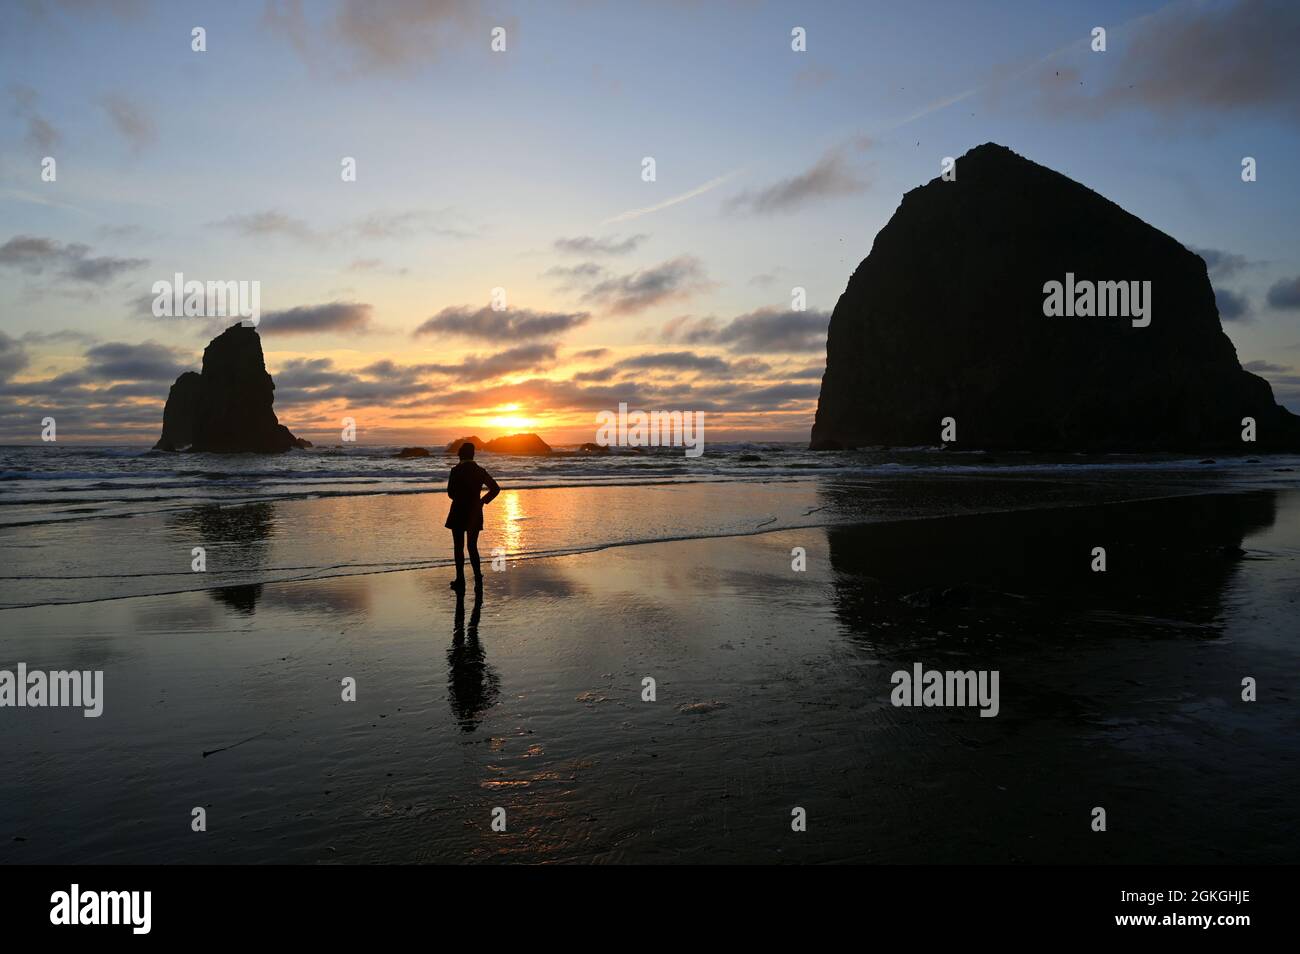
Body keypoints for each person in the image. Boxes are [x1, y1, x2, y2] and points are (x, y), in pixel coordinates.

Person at [444, 442, 500, 590]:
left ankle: (460, 580)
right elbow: (495, 488)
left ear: (460, 455)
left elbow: (450, 493)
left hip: (458, 510)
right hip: (475, 511)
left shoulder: (456, 470)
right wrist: (482, 501)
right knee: (472, 546)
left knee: (458, 547)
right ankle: (477, 577)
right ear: (472, 454)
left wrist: (460, 497)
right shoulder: (480, 471)